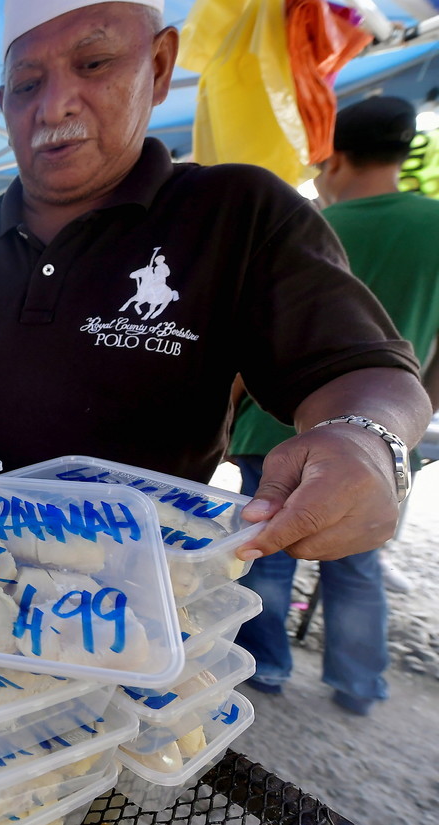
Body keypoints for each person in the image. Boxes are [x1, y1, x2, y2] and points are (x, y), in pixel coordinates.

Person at [0, 0, 431, 571]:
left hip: (116, 612)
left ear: (158, 65)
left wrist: (361, 438)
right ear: (4, 102)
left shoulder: (237, 212)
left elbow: (364, 370)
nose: (55, 102)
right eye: (26, 82)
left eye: (93, 64)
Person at [229, 96, 439, 715]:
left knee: (265, 551)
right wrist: (401, 428)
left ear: (336, 158)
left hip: (276, 432)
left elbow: (244, 354)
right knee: (355, 554)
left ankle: (263, 666)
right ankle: (358, 682)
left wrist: (228, 412)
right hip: (379, 432)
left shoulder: (301, 226)